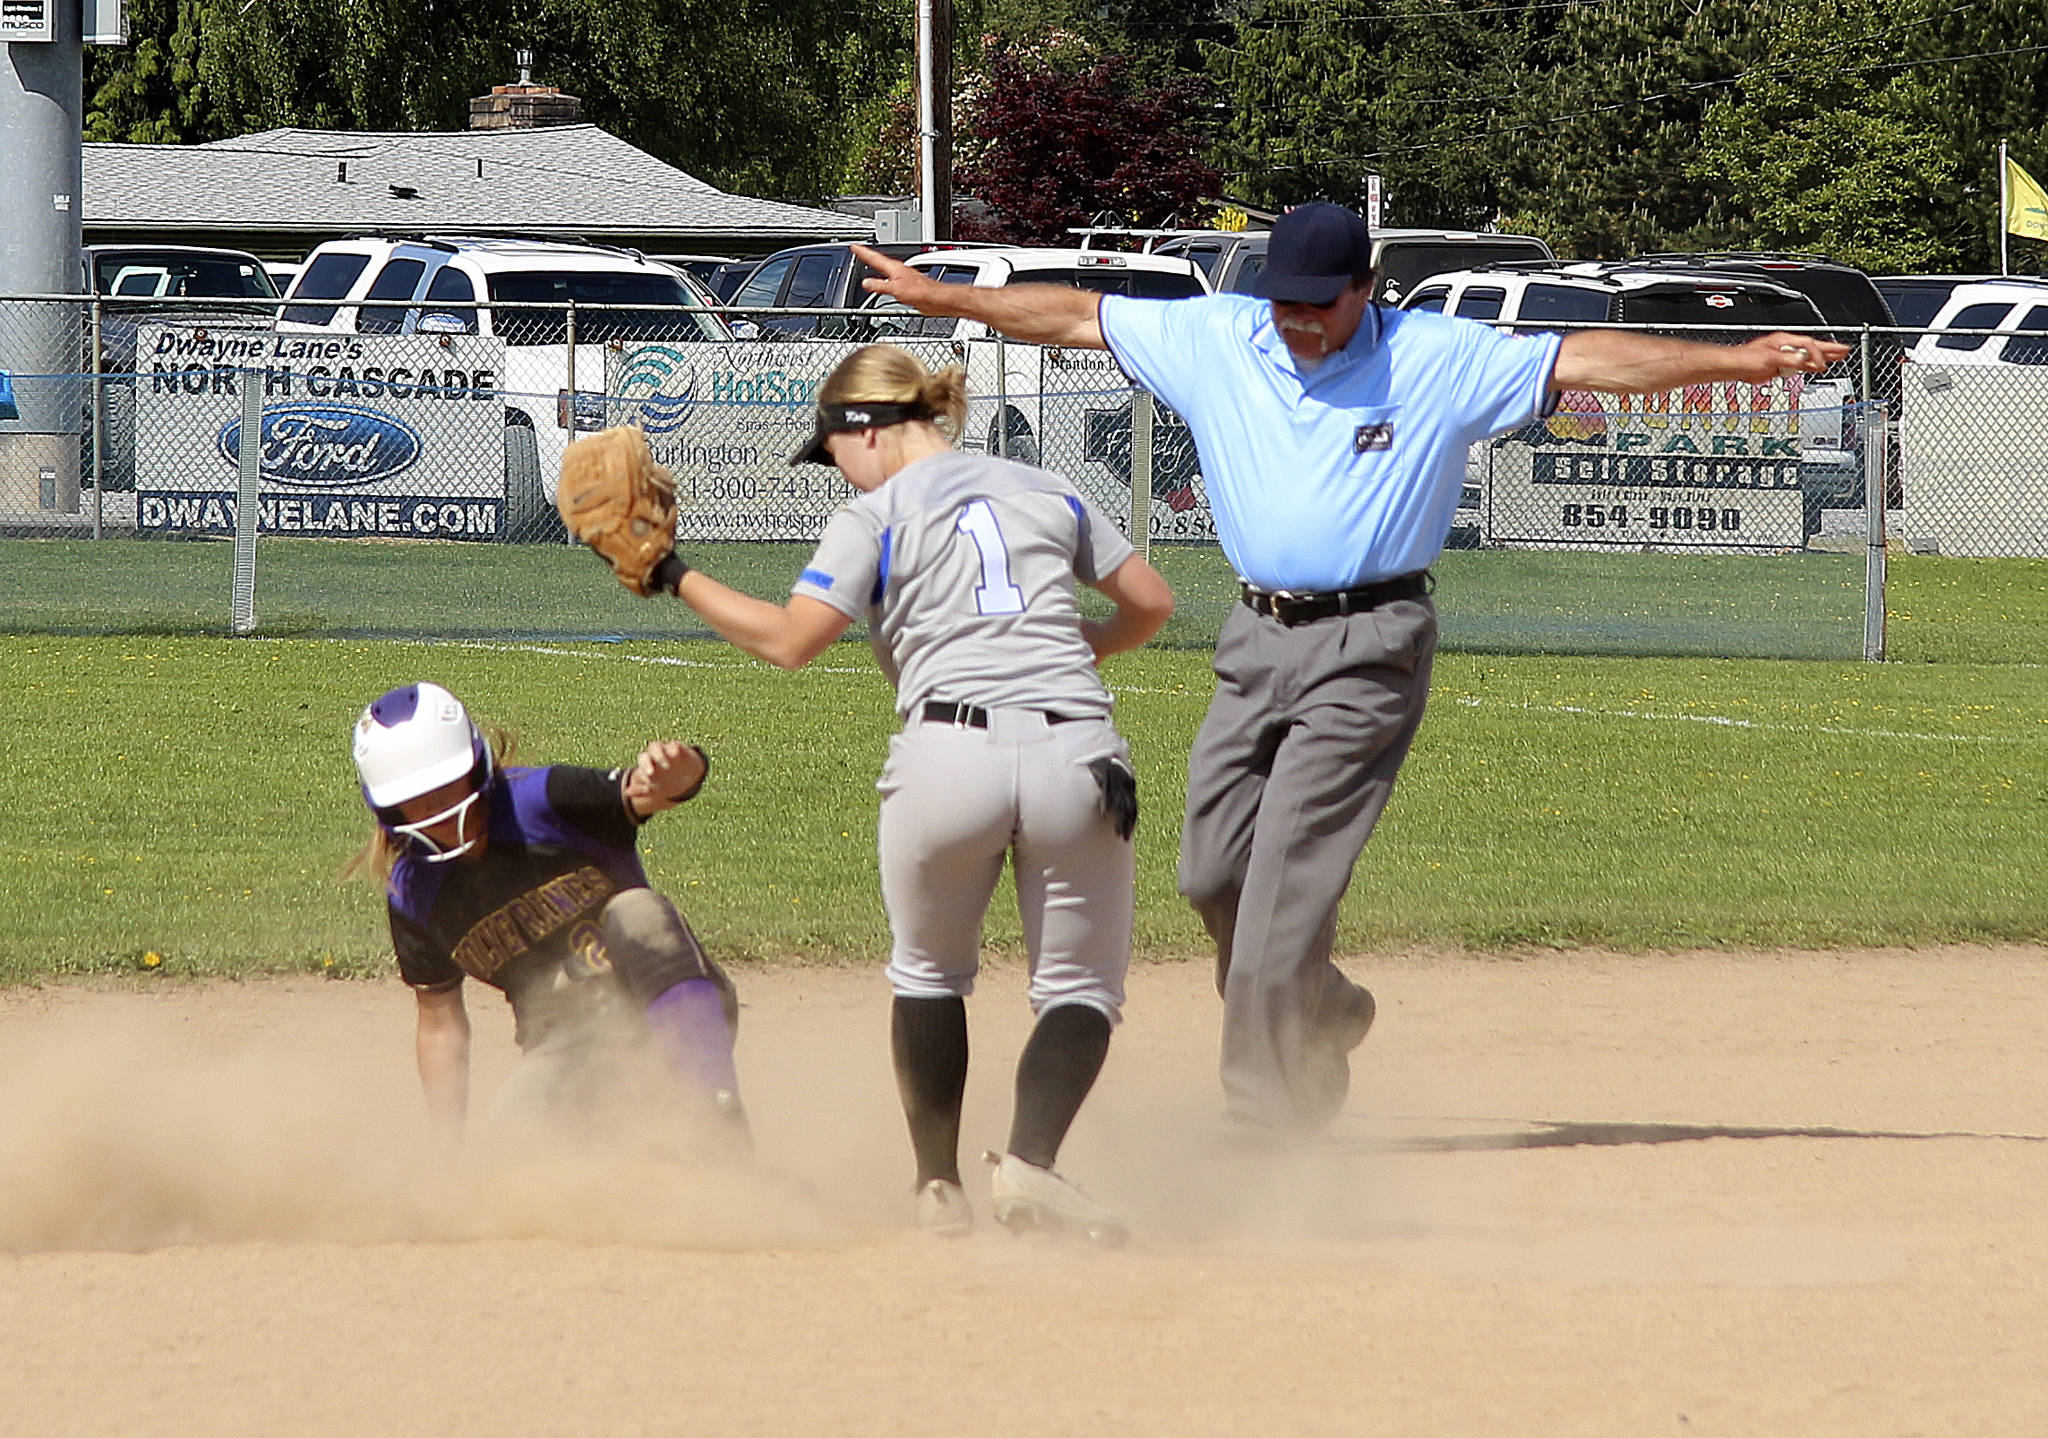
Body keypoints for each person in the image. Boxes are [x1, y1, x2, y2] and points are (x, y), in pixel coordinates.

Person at [852, 205, 1851, 1138]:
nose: (1293, 319)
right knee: (1211, 877)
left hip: (1368, 646)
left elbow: (1588, 354)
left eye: (1315, 302)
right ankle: (1323, 1008)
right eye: (1281, 298)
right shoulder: (1221, 337)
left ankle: (1258, 1128)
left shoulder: (1433, 358)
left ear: (1365, 286)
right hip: (1252, 642)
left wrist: (1741, 357)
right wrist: (947, 299)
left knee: (1281, 896)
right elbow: (1074, 316)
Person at [571, 344, 1174, 1242]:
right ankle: (1032, 1168)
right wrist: (1078, 645)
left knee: (930, 975)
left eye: (833, 451)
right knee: (1081, 990)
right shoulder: (1049, 489)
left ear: (868, 430)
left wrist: (671, 573)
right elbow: (1153, 604)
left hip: (945, 758)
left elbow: (790, 640)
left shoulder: (876, 515)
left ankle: (937, 1190)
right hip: (1076, 756)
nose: (837, 472)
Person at [348, 681, 749, 1155]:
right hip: (564, 1052)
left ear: (476, 767)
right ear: (387, 806)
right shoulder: (413, 893)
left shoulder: (541, 802)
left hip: (669, 996)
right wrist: (445, 1151)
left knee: (636, 911)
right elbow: (440, 1025)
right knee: (513, 1169)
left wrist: (684, 769)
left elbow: (658, 791)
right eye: (416, 797)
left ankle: (721, 1129)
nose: (436, 809)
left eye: (446, 785)